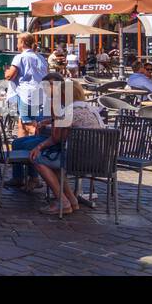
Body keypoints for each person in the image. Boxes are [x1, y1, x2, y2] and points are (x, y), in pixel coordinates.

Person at [31, 79, 105, 216]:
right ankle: (72, 199)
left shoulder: (67, 112)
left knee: (38, 160)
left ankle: (62, 201)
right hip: (100, 161)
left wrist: (39, 146)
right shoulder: (92, 110)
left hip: (78, 161)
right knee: (56, 164)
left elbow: (56, 138)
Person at [6, 33, 49, 135]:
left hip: (26, 94)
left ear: (23, 43)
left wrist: (6, 72)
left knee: (27, 123)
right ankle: (21, 146)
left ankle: (44, 137)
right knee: (22, 123)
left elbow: (10, 76)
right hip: (40, 94)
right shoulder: (41, 58)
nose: (17, 45)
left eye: (18, 42)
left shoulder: (20, 57)